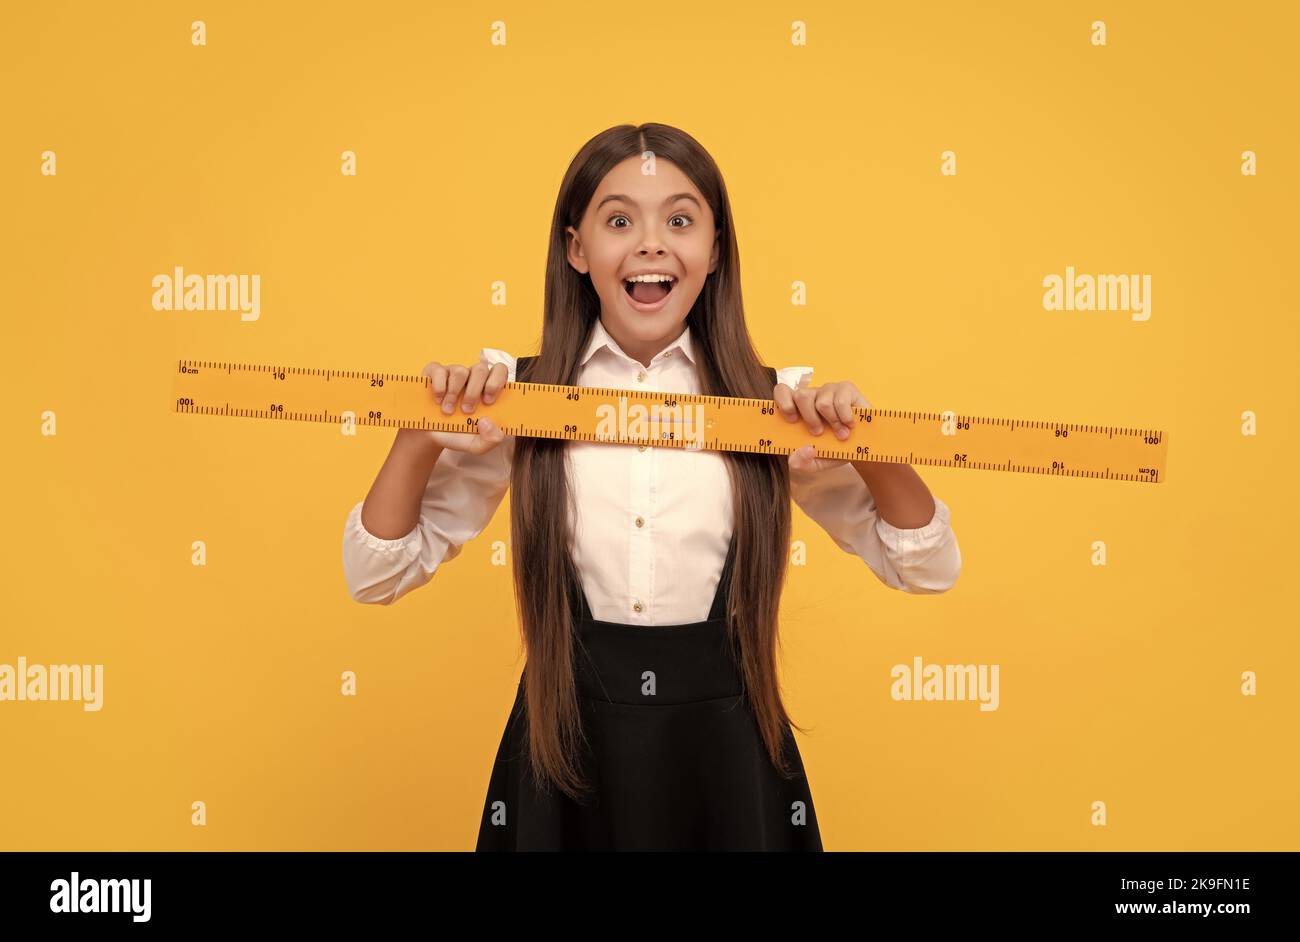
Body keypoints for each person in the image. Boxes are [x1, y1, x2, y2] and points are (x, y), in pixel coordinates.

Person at [342, 123, 962, 850]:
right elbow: (373, 576)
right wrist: (418, 436)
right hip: (562, 756)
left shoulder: (772, 406)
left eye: (679, 219)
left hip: (727, 765)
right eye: (617, 220)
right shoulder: (519, 397)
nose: (650, 243)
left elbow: (927, 566)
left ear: (715, 251)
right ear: (577, 250)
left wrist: (869, 447)